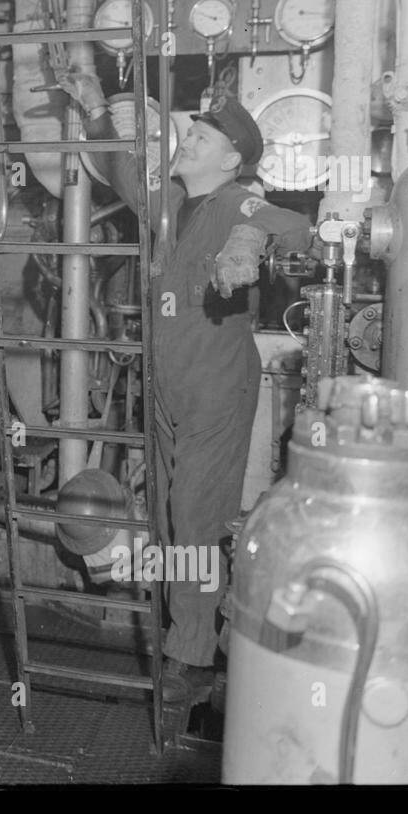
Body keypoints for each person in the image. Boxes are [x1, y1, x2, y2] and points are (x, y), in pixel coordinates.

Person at [101, 91, 313, 705]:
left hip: (215, 385)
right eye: (188, 132)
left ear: (232, 160)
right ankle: (186, 635)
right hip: (168, 384)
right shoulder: (172, 204)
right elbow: (129, 180)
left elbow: (290, 223)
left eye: (201, 138)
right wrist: (102, 115)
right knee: (169, 517)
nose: (187, 140)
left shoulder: (231, 202)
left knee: (194, 517)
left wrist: (247, 242)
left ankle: (192, 660)